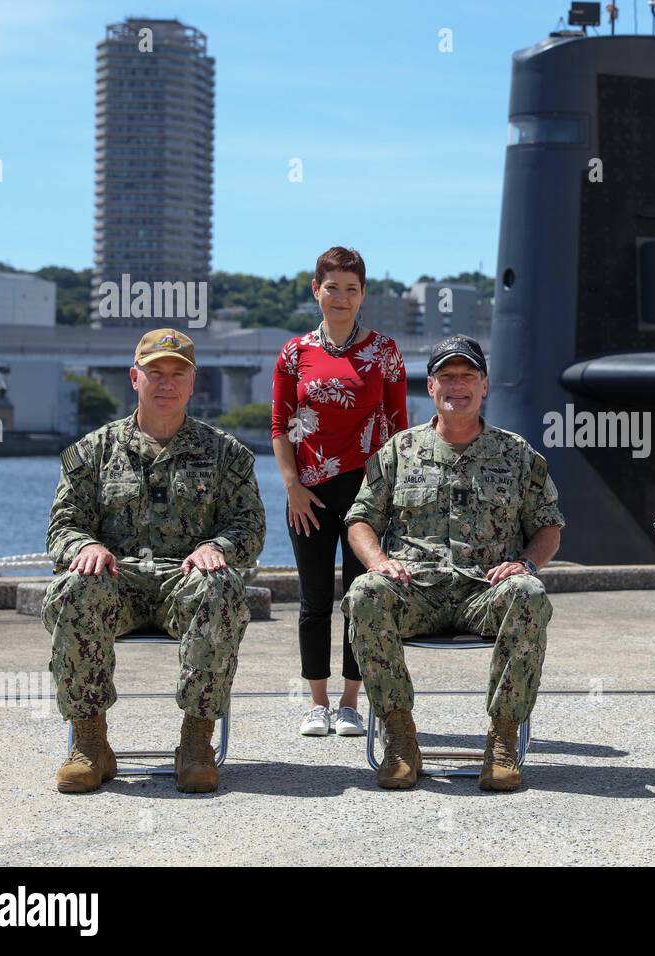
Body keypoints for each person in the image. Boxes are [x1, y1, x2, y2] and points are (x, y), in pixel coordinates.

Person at [43, 329, 266, 794]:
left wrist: (217, 548)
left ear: (192, 383)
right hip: (115, 582)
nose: (166, 383)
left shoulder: (227, 455)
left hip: (183, 584)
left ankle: (196, 744)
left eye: (177, 374)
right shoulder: (93, 452)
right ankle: (90, 744)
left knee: (221, 586)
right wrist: (85, 546)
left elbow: (249, 528)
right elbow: (62, 527)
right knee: (74, 587)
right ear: (134, 378)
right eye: (155, 373)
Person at [341, 335, 564, 792]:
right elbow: (360, 520)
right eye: (447, 376)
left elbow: (548, 527)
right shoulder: (398, 452)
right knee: (363, 593)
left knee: (529, 594)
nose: (456, 386)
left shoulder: (517, 454)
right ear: (431, 385)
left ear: (484, 386)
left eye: (467, 376)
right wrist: (379, 561)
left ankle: (502, 741)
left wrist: (526, 563)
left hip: (485, 590)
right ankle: (400, 739)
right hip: (414, 588)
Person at [271, 247, 408, 738]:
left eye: (352, 288)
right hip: (307, 492)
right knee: (313, 600)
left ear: (363, 294)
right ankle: (317, 702)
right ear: (317, 290)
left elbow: (398, 429)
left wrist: (388, 497)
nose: (342, 297)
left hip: (366, 491)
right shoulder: (294, 353)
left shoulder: (385, 352)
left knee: (360, 596)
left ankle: (350, 702)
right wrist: (292, 487)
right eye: (333, 287)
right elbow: (279, 426)